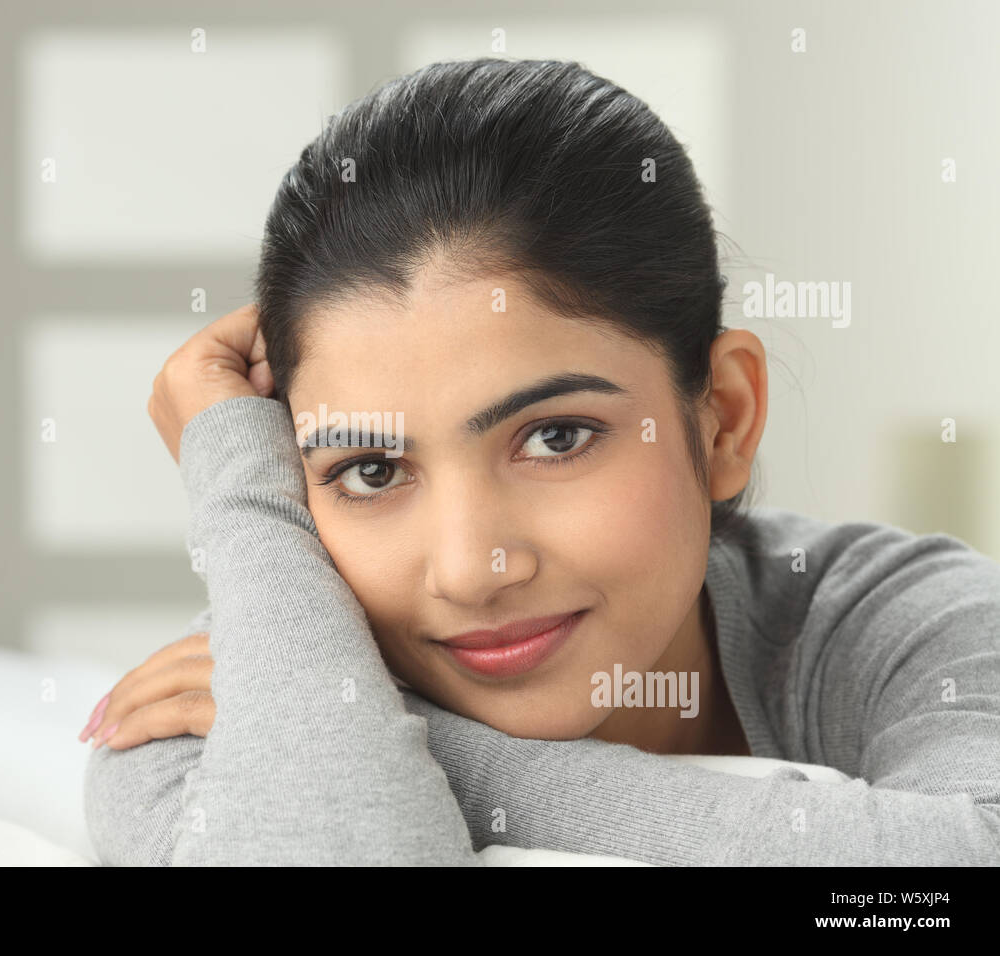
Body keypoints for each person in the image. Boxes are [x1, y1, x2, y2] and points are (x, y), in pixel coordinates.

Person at [78, 58, 1000, 865]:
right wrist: (237, 492)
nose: (473, 569)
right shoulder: (199, 717)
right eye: (370, 470)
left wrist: (418, 749)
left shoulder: (907, 626)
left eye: (555, 437)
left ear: (722, 418)